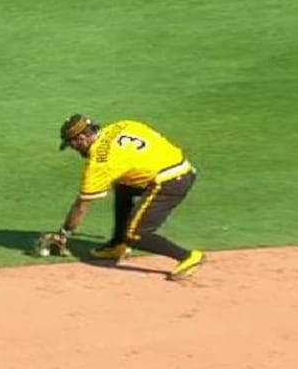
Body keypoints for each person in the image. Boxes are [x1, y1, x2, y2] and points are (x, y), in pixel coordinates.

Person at [44, 113, 205, 281]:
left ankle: (189, 256)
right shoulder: (122, 125)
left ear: (82, 138)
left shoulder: (99, 163)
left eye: (73, 145)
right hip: (181, 166)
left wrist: (63, 233)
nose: (75, 150)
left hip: (170, 182)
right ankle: (118, 245)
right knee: (122, 185)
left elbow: (82, 206)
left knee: (135, 234)